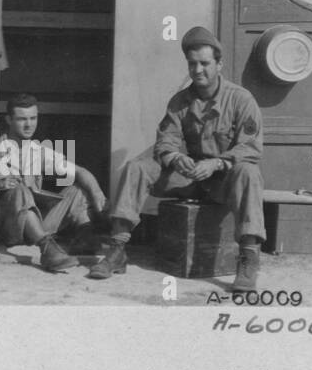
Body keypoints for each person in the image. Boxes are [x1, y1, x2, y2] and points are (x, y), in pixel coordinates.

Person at [89, 25, 266, 291]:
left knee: (249, 172)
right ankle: (117, 250)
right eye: (192, 64)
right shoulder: (180, 101)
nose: (198, 70)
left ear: (219, 64)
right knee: (137, 167)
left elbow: (250, 147)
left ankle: (249, 258)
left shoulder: (241, 100)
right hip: (190, 178)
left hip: (222, 182)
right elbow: (166, 139)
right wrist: (173, 157)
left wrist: (217, 163)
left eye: (205, 63)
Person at [0, 94, 107, 272]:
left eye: (33, 118)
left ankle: (84, 236)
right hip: (3, 226)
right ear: (8, 119)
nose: (29, 124)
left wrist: (97, 195)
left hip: (32, 225)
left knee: (79, 189)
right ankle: (46, 247)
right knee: (19, 190)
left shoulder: (39, 151)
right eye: (22, 119)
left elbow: (79, 171)